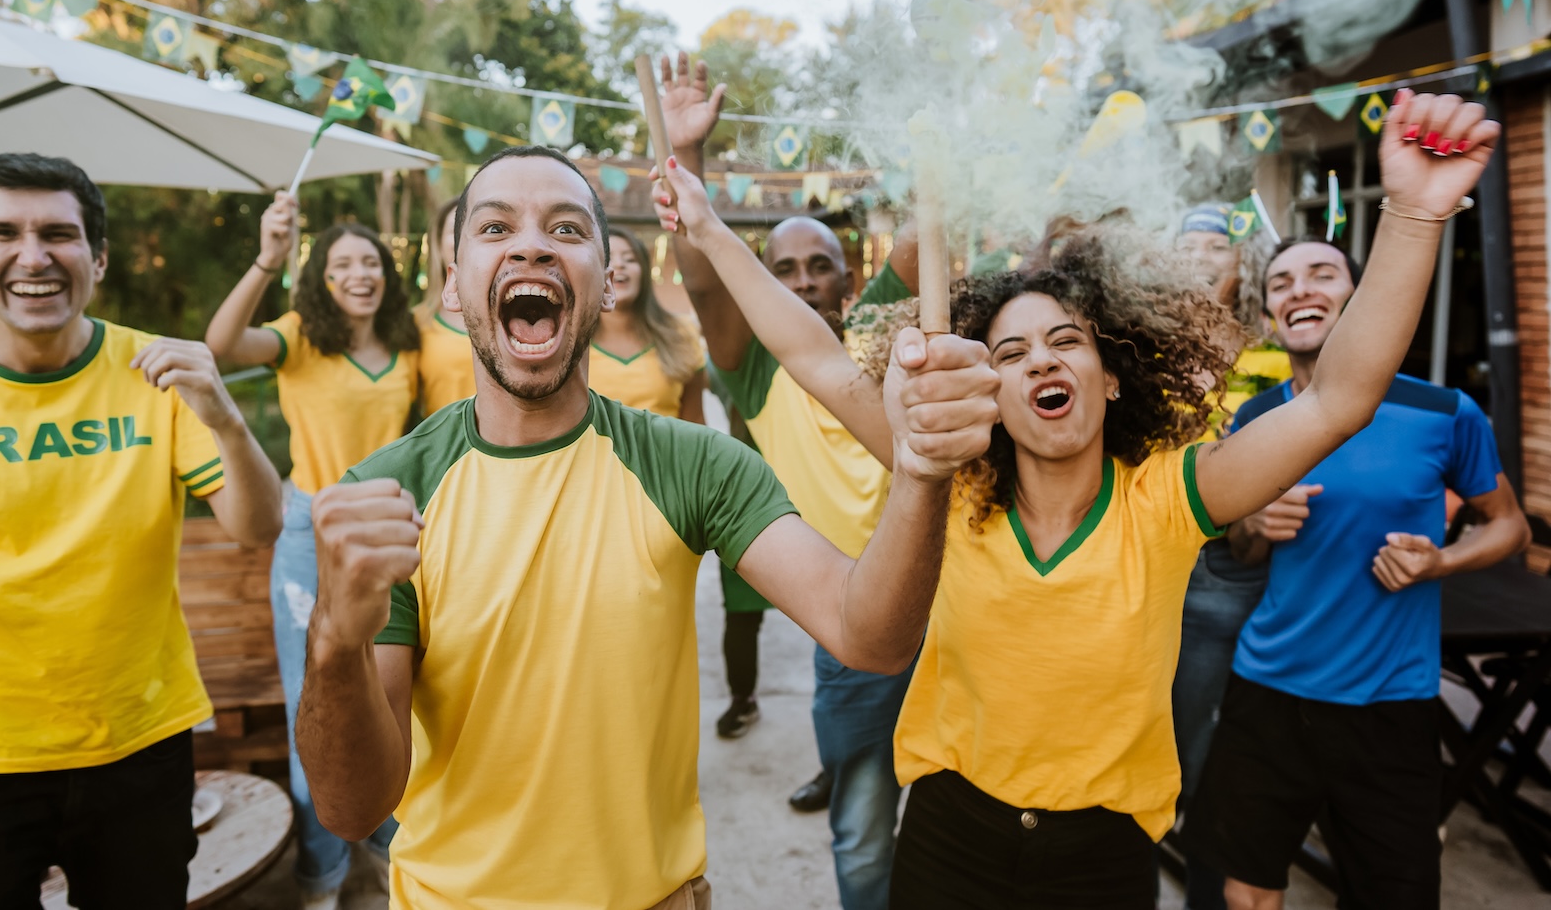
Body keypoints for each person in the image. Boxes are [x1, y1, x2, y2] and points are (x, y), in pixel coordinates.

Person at [653, 89, 1499, 908]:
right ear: (988, 386)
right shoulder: (948, 476)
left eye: (1066, 341)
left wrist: (1415, 214)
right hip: (950, 838)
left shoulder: (1172, 494)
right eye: (1012, 351)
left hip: (1103, 860)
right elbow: (816, 358)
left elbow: (1337, 399)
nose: (1042, 362)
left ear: (1114, 375)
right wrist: (710, 229)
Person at [292, 143, 1002, 910]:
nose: (531, 243)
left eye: (566, 230)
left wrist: (922, 471)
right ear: (455, 291)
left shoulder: (694, 465)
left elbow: (871, 636)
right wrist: (334, 641)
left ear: (605, 286)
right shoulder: (390, 495)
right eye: (495, 229)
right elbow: (352, 808)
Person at [0, 153, 282, 907]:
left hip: (139, 741)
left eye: (59, 234)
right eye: (3, 232)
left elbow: (257, 524)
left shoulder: (156, 373)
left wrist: (225, 415)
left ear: (96, 258)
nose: (33, 256)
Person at [1184, 235, 1530, 910]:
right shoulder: (1254, 418)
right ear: (1268, 317)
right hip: (1267, 693)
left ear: (1361, 296)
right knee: (1241, 892)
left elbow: (1509, 525)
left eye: (1322, 273)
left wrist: (1441, 560)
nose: (1300, 289)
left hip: (1390, 701)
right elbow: (1248, 554)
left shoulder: (1443, 411)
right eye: (1281, 282)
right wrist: (1254, 525)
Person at [658, 52, 913, 905]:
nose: (804, 280)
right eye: (785, 269)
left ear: (851, 278)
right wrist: (686, 155)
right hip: (858, 619)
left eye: (821, 267)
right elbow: (704, 275)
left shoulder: (881, 330)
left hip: (961, 610)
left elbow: (925, 239)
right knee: (864, 829)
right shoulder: (757, 368)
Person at [205, 195, 420, 909]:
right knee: (318, 705)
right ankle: (322, 880)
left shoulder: (407, 341)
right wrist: (268, 255)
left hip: (391, 530)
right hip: (310, 530)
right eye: (342, 265)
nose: (360, 274)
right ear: (320, 279)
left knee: (395, 702)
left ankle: (393, 857)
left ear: (387, 272)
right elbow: (223, 340)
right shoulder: (298, 336)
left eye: (370, 261)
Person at [1167, 203, 1291, 910]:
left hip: (1232, 565)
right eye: (1188, 246)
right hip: (1155, 555)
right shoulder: (1138, 346)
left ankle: (1206, 867)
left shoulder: (1270, 351)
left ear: (1240, 264)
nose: (1204, 256)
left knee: (1221, 732)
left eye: (1218, 245)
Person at [589, 224, 705, 423]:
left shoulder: (681, 333)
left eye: (630, 259)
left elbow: (696, 422)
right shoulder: (570, 343)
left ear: (643, 270)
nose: (619, 265)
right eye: (608, 259)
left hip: (668, 453)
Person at [416, 196, 476, 417]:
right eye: (455, 230)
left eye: (481, 228)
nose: (466, 238)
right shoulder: (415, 323)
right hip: (443, 449)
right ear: (438, 244)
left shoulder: (523, 320)